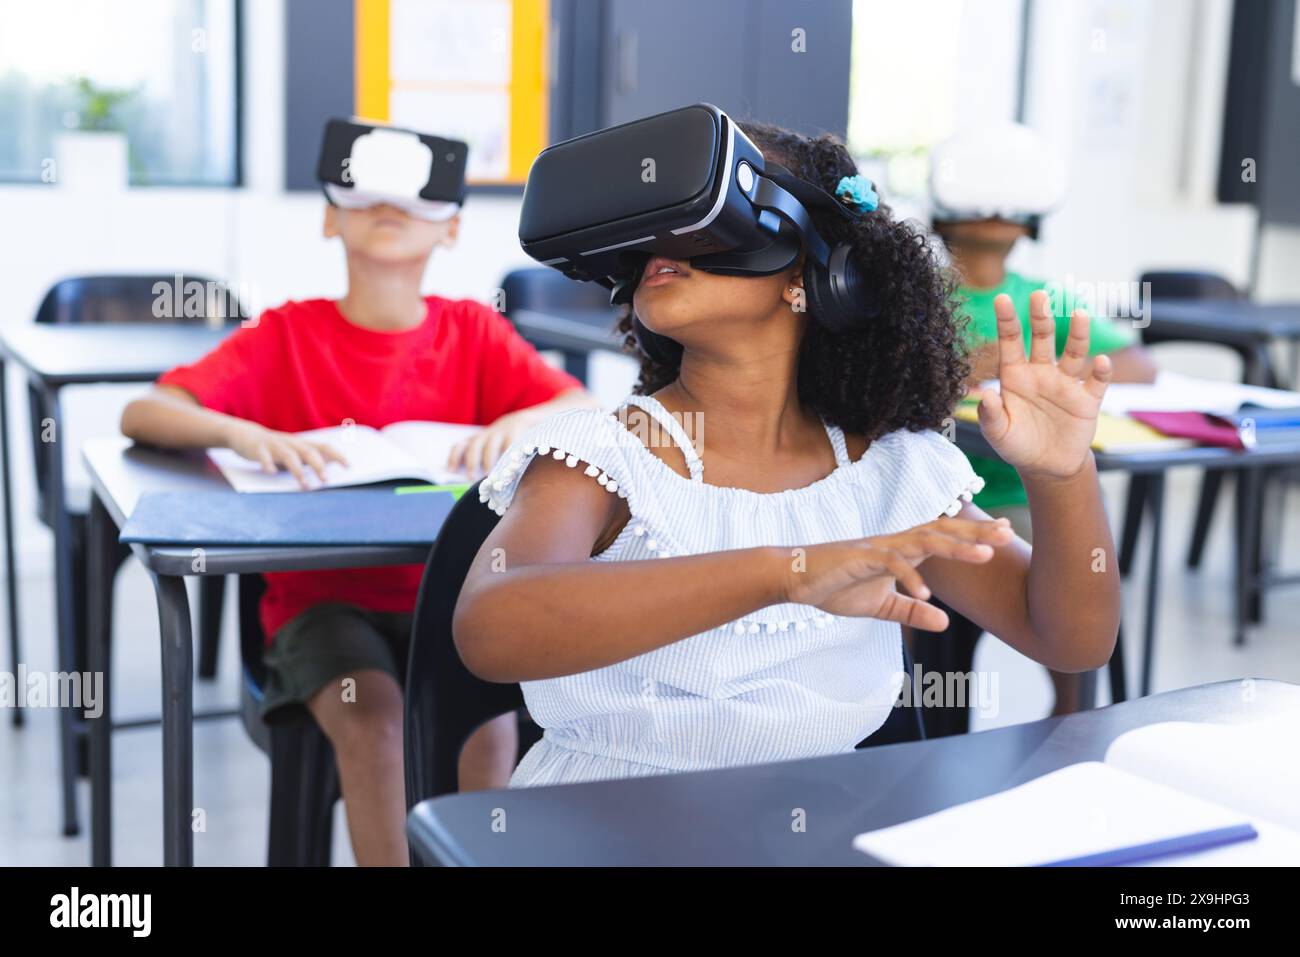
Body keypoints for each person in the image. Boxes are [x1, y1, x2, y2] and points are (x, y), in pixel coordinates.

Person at [451, 121, 1121, 787]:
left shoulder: (887, 472)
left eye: (710, 214)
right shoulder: (603, 457)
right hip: (601, 817)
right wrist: (785, 573)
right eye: (656, 223)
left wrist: (1062, 474)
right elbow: (491, 628)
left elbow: (1071, 638)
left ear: (812, 271)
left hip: (818, 819)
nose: (664, 240)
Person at [120, 120, 596, 864]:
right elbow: (145, 412)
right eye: (367, 198)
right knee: (374, 721)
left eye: (410, 203)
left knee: (488, 727)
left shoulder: (473, 331)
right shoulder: (285, 335)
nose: (388, 209)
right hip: (320, 604)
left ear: (451, 229)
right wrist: (241, 433)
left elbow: (578, 403)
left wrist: (515, 421)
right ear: (329, 217)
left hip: (448, 595)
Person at [922, 123, 1157, 725]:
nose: (994, 212)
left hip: (1023, 497)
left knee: (1074, 575)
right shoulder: (919, 296)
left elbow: (1138, 365)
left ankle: (1072, 714)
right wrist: (959, 368)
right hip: (942, 495)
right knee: (934, 631)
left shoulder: (1045, 300)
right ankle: (939, 725)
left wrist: (1043, 373)